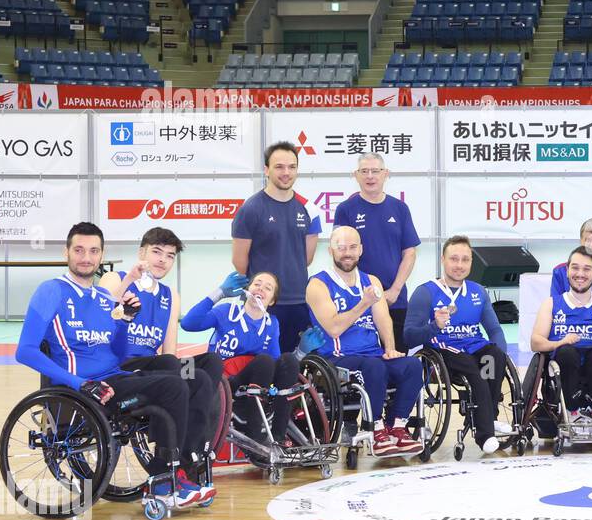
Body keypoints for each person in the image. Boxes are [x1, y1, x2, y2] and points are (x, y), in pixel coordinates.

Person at [16, 222, 205, 507]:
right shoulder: (51, 291)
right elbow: (25, 352)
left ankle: (174, 470)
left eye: (93, 251)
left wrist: (124, 322)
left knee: (183, 380)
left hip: (113, 379)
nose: (86, 257)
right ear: (66, 252)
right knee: (172, 384)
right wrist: (79, 382)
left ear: (101, 255)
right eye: (78, 250)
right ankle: (165, 479)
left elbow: (115, 353)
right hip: (81, 389)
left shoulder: (104, 299)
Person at [98, 227, 226, 469]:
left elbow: (169, 349)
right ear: (141, 253)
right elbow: (100, 312)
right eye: (157, 252)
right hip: (120, 364)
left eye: (170, 256)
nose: (163, 260)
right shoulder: (116, 278)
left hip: (154, 368)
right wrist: (130, 281)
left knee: (209, 363)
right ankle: (167, 431)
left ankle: (190, 447)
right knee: (170, 365)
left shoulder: (170, 295)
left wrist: (184, 373)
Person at [307, 226, 425, 453]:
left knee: (412, 364)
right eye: (341, 247)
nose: (347, 252)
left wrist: (390, 348)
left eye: (352, 247)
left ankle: (396, 426)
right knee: (374, 367)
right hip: (338, 358)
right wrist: (363, 303)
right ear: (331, 251)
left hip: (373, 356)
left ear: (361, 250)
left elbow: (383, 319)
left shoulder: (371, 281)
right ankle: (375, 428)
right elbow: (333, 328)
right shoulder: (318, 284)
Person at [180, 270, 304, 459]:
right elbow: (188, 324)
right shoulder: (227, 312)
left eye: (268, 288)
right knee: (263, 361)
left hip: (257, 379)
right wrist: (219, 293)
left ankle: (279, 434)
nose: (260, 289)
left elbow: (279, 364)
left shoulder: (271, 324)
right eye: (257, 284)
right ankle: (254, 430)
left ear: (271, 301)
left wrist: (300, 353)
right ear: (247, 290)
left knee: (288, 360)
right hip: (226, 381)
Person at [404, 235, 510, 454]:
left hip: (474, 348)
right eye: (454, 259)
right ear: (443, 260)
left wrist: (500, 352)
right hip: (443, 350)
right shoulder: (425, 292)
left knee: (494, 357)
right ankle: (485, 434)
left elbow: (495, 330)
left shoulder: (478, 292)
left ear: (471, 262)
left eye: (465, 260)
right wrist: (434, 326)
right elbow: (409, 336)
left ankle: (489, 417)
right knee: (475, 371)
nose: (459, 265)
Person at [232, 140, 322, 353]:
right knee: (262, 369)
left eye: (292, 167)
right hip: (262, 304)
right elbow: (239, 262)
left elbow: (306, 258)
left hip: (299, 301)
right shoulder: (251, 209)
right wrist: (265, 290)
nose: (286, 172)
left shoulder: (310, 209)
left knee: (297, 367)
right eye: (279, 167)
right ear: (266, 170)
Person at [529, 246, 592, 424]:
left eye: (586, 269)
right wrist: (559, 342)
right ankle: (572, 410)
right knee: (567, 352)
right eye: (575, 268)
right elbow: (535, 342)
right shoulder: (552, 304)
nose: (580, 274)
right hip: (564, 362)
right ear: (567, 271)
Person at [332, 152, 420, 353]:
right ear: (356, 175)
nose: (370, 176)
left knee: (396, 357)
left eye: (375, 171)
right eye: (364, 171)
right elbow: (342, 253)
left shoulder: (400, 208)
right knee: (366, 361)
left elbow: (410, 253)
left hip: (394, 299)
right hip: (358, 301)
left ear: (385, 174)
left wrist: (395, 290)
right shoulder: (346, 209)